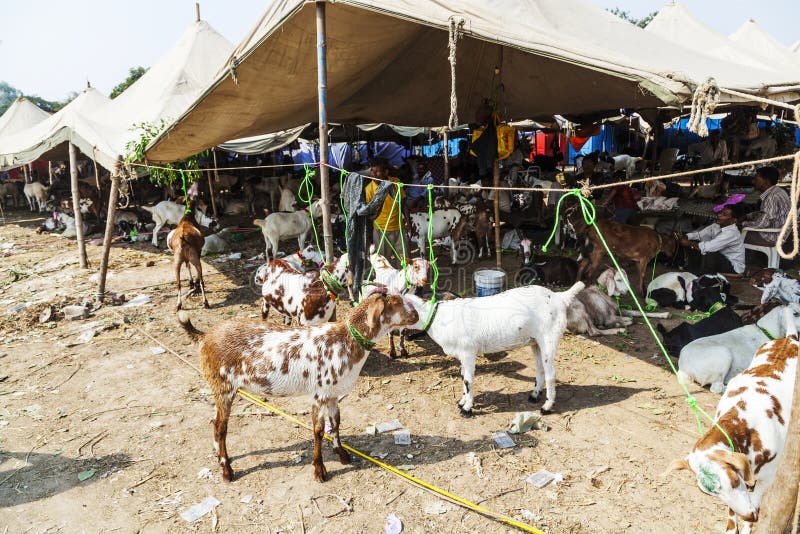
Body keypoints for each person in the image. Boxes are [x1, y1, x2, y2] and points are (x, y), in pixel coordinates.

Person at [679, 205, 745, 275]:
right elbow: (699, 235)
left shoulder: (731, 233)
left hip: (733, 266)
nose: (719, 215)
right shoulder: (715, 226)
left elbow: (708, 248)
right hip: (720, 258)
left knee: (708, 251)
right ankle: (689, 268)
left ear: (733, 220)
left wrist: (689, 243)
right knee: (698, 245)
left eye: (724, 215)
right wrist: (686, 236)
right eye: (720, 212)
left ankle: (701, 275)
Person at [365, 158, 406, 263]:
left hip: (399, 228)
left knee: (403, 260)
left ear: (386, 172)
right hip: (380, 230)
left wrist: (408, 224)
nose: (373, 174)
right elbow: (368, 213)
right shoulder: (369, 189)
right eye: (372, 171)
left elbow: (403, 204)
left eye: (377, 171)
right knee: (383, 261)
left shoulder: (396, 182)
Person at [741, 165, 790, 246]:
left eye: (756, 179)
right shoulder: (779, 191)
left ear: (766, 181)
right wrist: (748, 216)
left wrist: (742, 224)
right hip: (779, 233)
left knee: (733, 233)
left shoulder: (771, 197)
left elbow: (762, 224)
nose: (753, 182)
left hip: (771, 237)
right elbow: (766, 213)